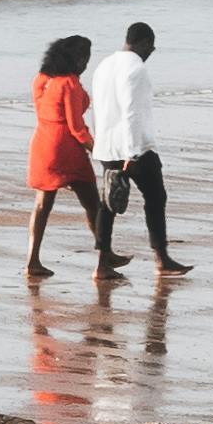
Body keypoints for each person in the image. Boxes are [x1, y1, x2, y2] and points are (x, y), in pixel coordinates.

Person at [86, 18, 189, 274]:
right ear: (143, 43)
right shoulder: (136, 68)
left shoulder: (103, 65)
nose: (150, 53)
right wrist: (132, 153)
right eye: (150, 48)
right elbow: (132, 111)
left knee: (108, 202)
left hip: (107, 146)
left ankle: (102, 262)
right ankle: (161, 258)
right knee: (155, 198)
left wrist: (100, 142)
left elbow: (98, 108)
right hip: (135, 148)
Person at [25, 32, 123, 280]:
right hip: (65, 149)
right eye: (85, 58)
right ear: (77, 59)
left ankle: (32, 261)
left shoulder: (41, 79)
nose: (86, 63)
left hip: (42, 145)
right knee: (93, 206)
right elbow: (76, 128)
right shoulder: (69, 83)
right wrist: (99, 151)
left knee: (42, 205)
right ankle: (104, 262)